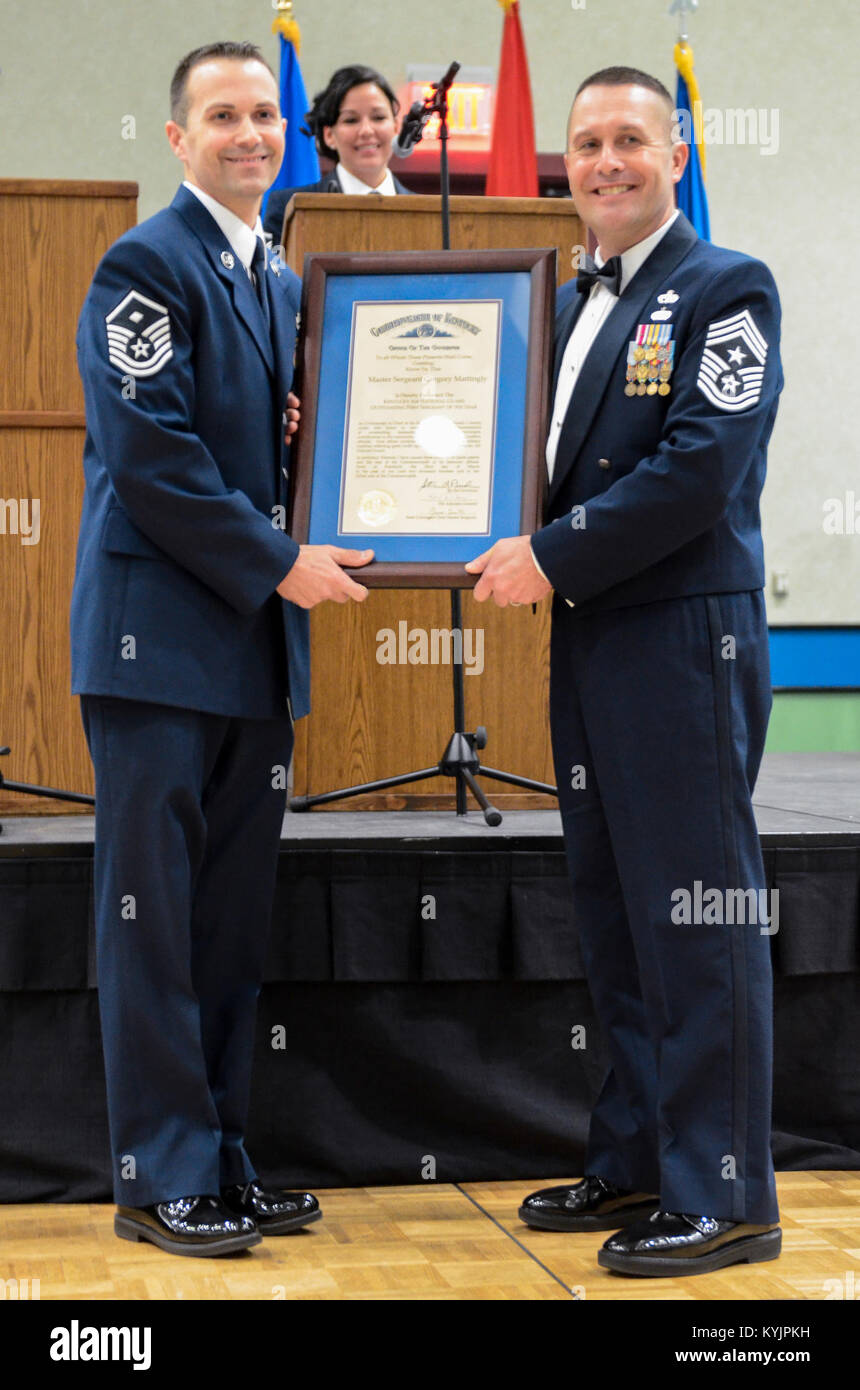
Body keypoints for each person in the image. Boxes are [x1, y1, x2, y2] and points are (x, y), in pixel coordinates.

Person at [466, 66, 783, 1278]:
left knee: (697, 916)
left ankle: (723, 1193)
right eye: (585, 143)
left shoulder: (724, 286)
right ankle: (640, 1149)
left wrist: (548, 552)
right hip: (595, 634)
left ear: (677, 146)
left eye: (629, 141)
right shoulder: (564, 295)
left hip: (680, 639)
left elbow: (700, 468)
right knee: (613, 904)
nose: (604, 162)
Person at [71, 41, 373, 1258]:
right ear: (176, 138)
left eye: (265, 113)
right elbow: (153, 461)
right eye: (223, 115)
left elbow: (243, 441)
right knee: (152, 917)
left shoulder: (272, 273)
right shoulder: (144, 264)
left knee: (226, 923)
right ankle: (158, 1174)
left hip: (249, 649)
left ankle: (222, 1157)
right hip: (161, 648)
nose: (250, 133)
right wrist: (278, 558)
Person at [263, 63, 412, 245]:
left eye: (378, 118)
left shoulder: (431, 213)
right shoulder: (289, 207)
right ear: (329, 135)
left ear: (396, 126)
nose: (366, 130)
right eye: (351, 120)